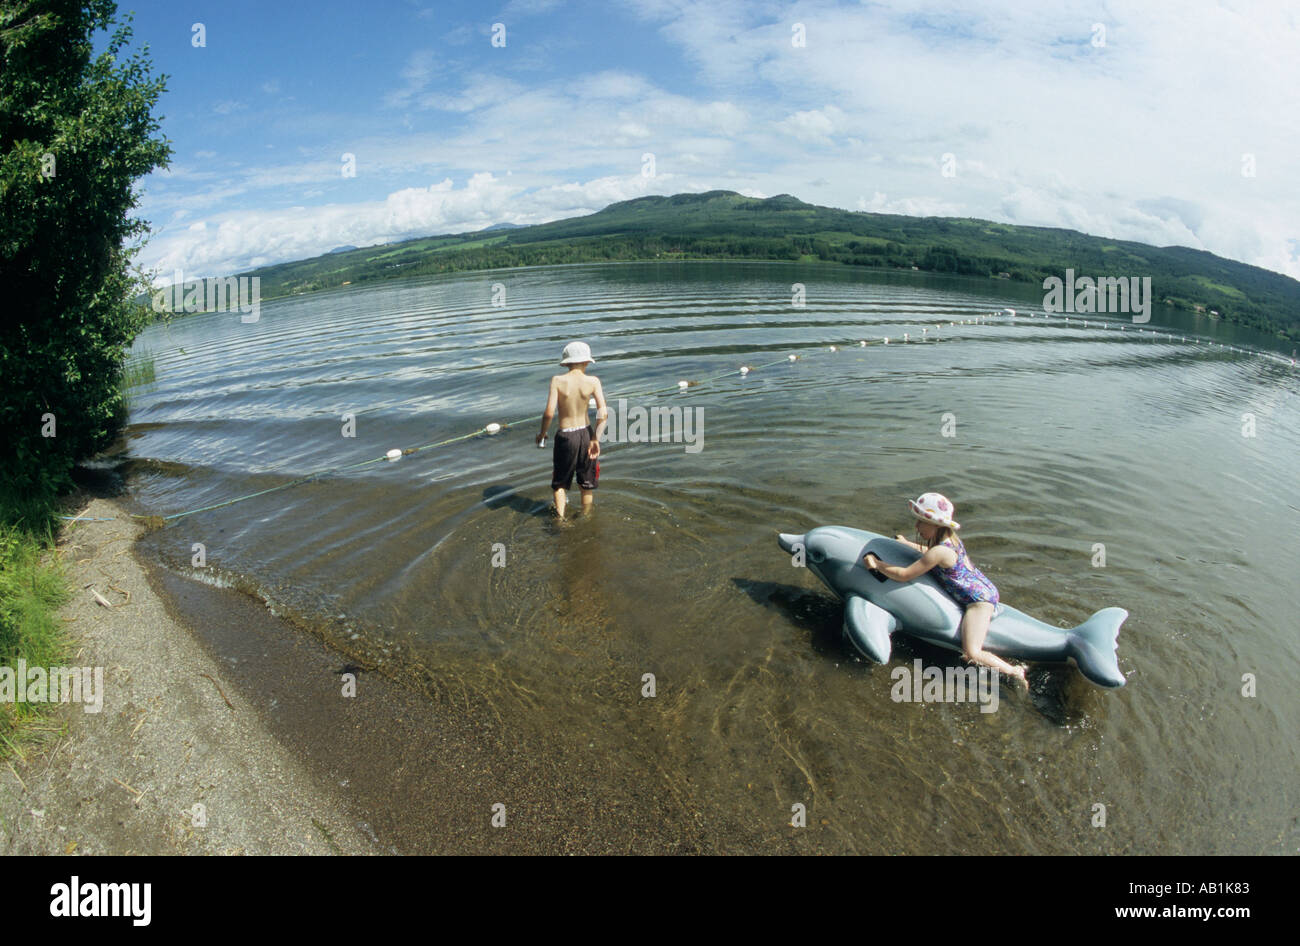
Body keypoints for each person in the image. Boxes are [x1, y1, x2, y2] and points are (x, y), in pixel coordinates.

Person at [864, 492, 1029, 690]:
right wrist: (908, 544)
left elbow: (904, 574)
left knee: (971, 652)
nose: (917, 526)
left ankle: (1014, 672)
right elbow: (930, 554)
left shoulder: (939, 551)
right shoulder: (950, 540)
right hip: (984, 587)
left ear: (937, 525)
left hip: (978, 602)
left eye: (922, 522)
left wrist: (878, 563)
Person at [536, 341, 608, 518]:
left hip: (566, 436)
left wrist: (543, 433)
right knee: (586, 483)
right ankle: (586, 516)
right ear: (587, 362)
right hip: (586, 433)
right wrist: (595, 439)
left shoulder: (558, 381)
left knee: (560, 483)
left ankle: (560, 519)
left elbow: (548, 413)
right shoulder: (593, 381)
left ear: (566, 362)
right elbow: (604, 413)